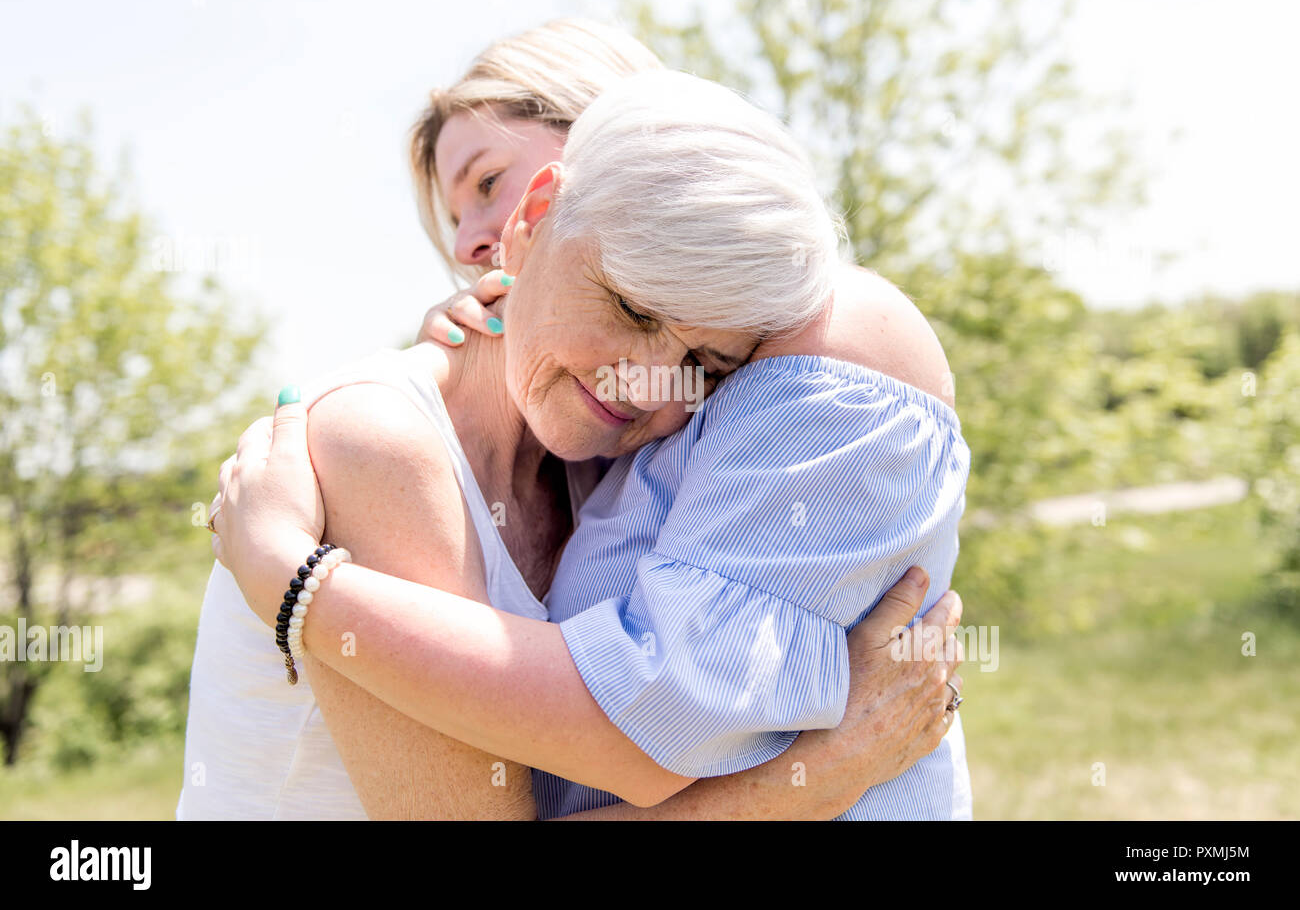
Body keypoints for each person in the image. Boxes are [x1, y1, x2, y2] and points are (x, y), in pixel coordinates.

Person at [208, 54, 971, 819]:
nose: (648, 386)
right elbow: (627, 736)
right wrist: (293, 582)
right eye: (633, 310)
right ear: (540, 217)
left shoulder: (614, 458)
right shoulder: (380, 443)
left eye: (703, 363)